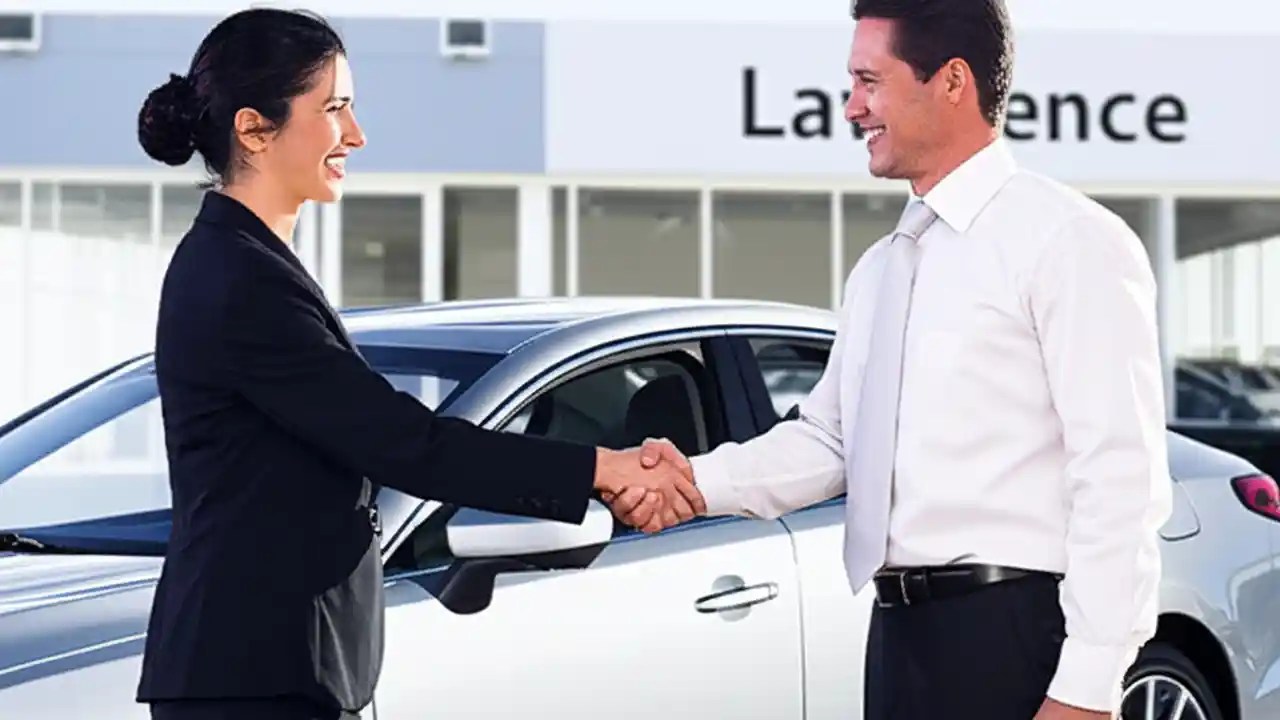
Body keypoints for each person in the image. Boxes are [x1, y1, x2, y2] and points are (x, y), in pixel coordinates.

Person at [133, 9, 700, 720]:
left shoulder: (243, 264)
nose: (356, 134)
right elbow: (406, 445)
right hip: (254, 675)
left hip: (273, 669)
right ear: (254, 129)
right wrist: (601, 469)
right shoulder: (239, 280)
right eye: (334, 108)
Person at [625, 1, 1172, 718]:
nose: (852, 108)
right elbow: (832, 441)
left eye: (868, 81)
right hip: (899, 636)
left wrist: (1086, 687)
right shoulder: (882, 268)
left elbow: (1119, 475)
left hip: (1013, 636)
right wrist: (692, 479)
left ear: (951, 82)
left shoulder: (1068, 241)